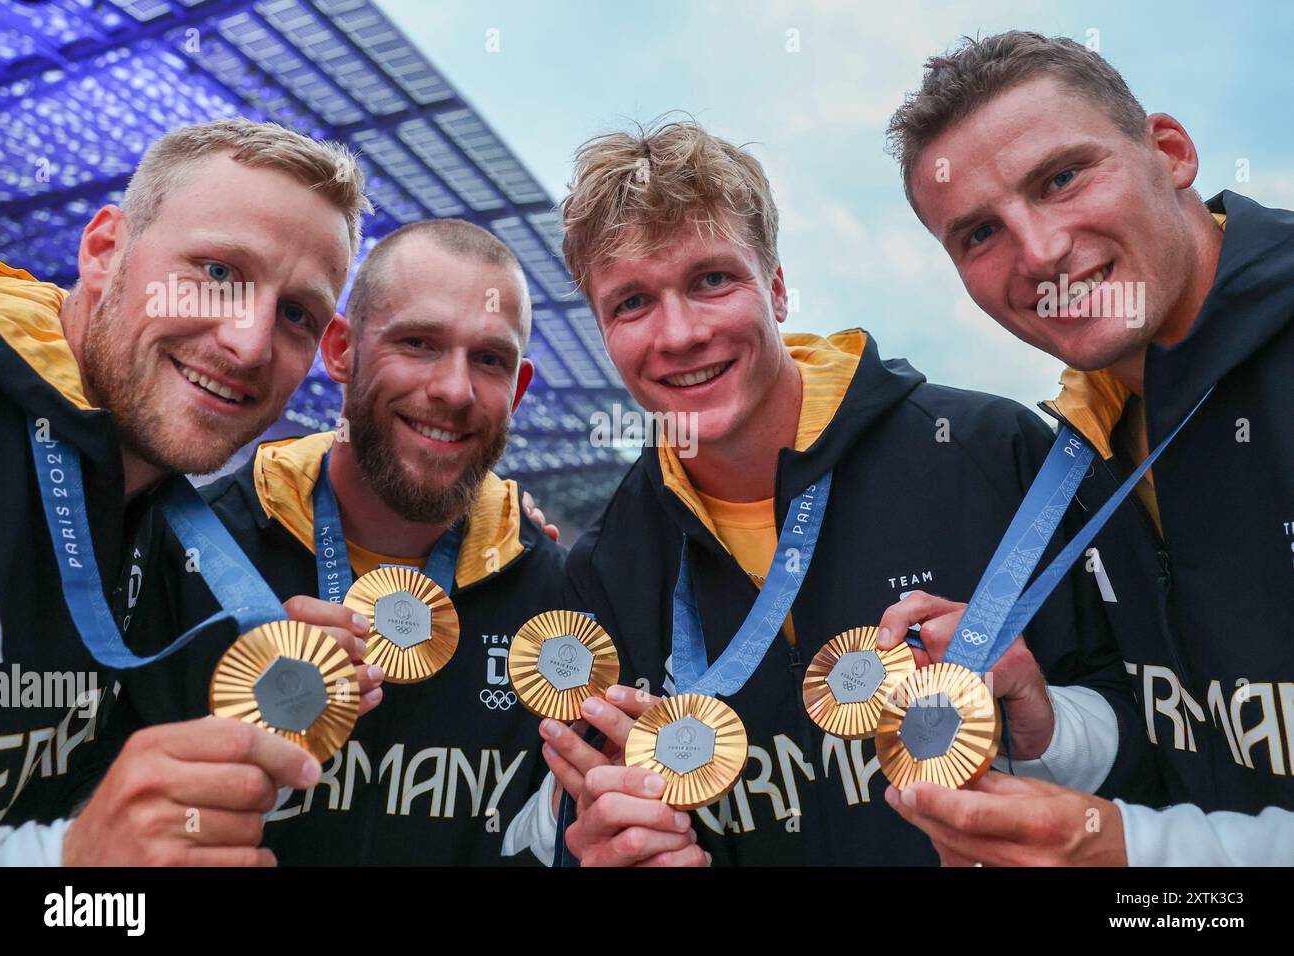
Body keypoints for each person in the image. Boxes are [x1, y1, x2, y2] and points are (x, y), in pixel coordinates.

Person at [537, 117, 1155, 866]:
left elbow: (1152, 736)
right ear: (602, 331)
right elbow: (582, 818)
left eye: (711, 281)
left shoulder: (990, 452)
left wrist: (1045, 722)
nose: (678, 334)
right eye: (631, 303)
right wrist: (603, 847)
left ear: (776, 287)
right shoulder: (605, 566)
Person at [879, 31, 1293, 865]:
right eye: (979, 234)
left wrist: (1130, 851)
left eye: (1062, 178)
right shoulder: (1083, 437)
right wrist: (1047, 725)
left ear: (1170, 152)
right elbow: (1199, 749)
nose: (1040, 252)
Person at [99, 219, 568, 864]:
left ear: (516, 388)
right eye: (419, 343)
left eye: (489, 359)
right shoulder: (179, 553)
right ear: (342, 349)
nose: (455, 390)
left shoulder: (562, 601)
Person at [0, 118, 378, 865]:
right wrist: (67, 864)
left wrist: (245, 719)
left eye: (297, 312)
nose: (250, 343)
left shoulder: (170, 518)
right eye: (218, 272)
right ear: (106, 252)